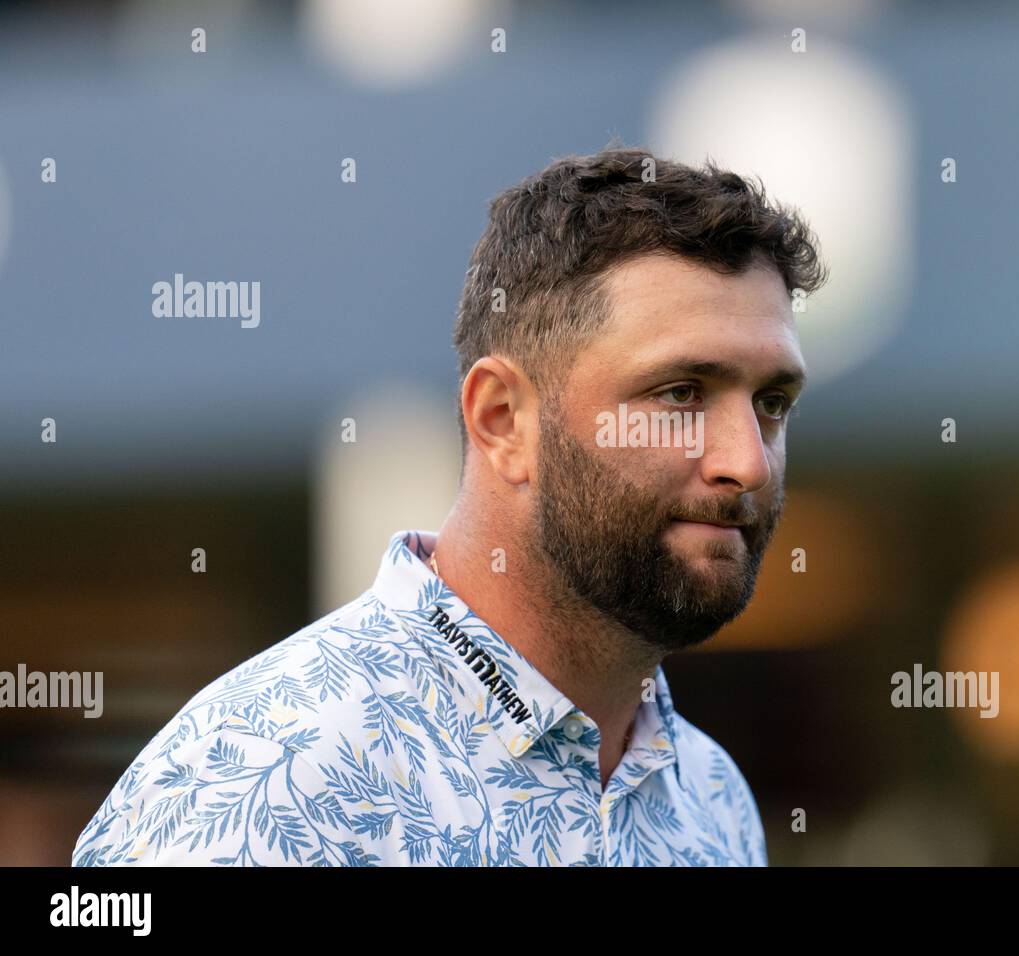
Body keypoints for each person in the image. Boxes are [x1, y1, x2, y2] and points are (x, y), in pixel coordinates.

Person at [73, 145, 826, 866]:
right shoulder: (265, 776)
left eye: (771, 403)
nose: (746, 462)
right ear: (503, 419)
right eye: (679, 394)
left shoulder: (710, 795)